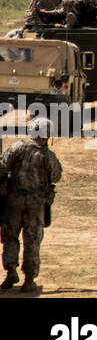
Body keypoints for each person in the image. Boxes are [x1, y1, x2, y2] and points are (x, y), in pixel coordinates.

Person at [0, 118, 62, 293]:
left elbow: (2, 167)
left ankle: (10, 270)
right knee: (32, 240)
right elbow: (56, 177)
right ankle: (29, 280)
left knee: (10, 237)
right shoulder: (48, 157)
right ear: (48, 135)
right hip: (36, 204)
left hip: (13, 201)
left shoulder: (17, 148)